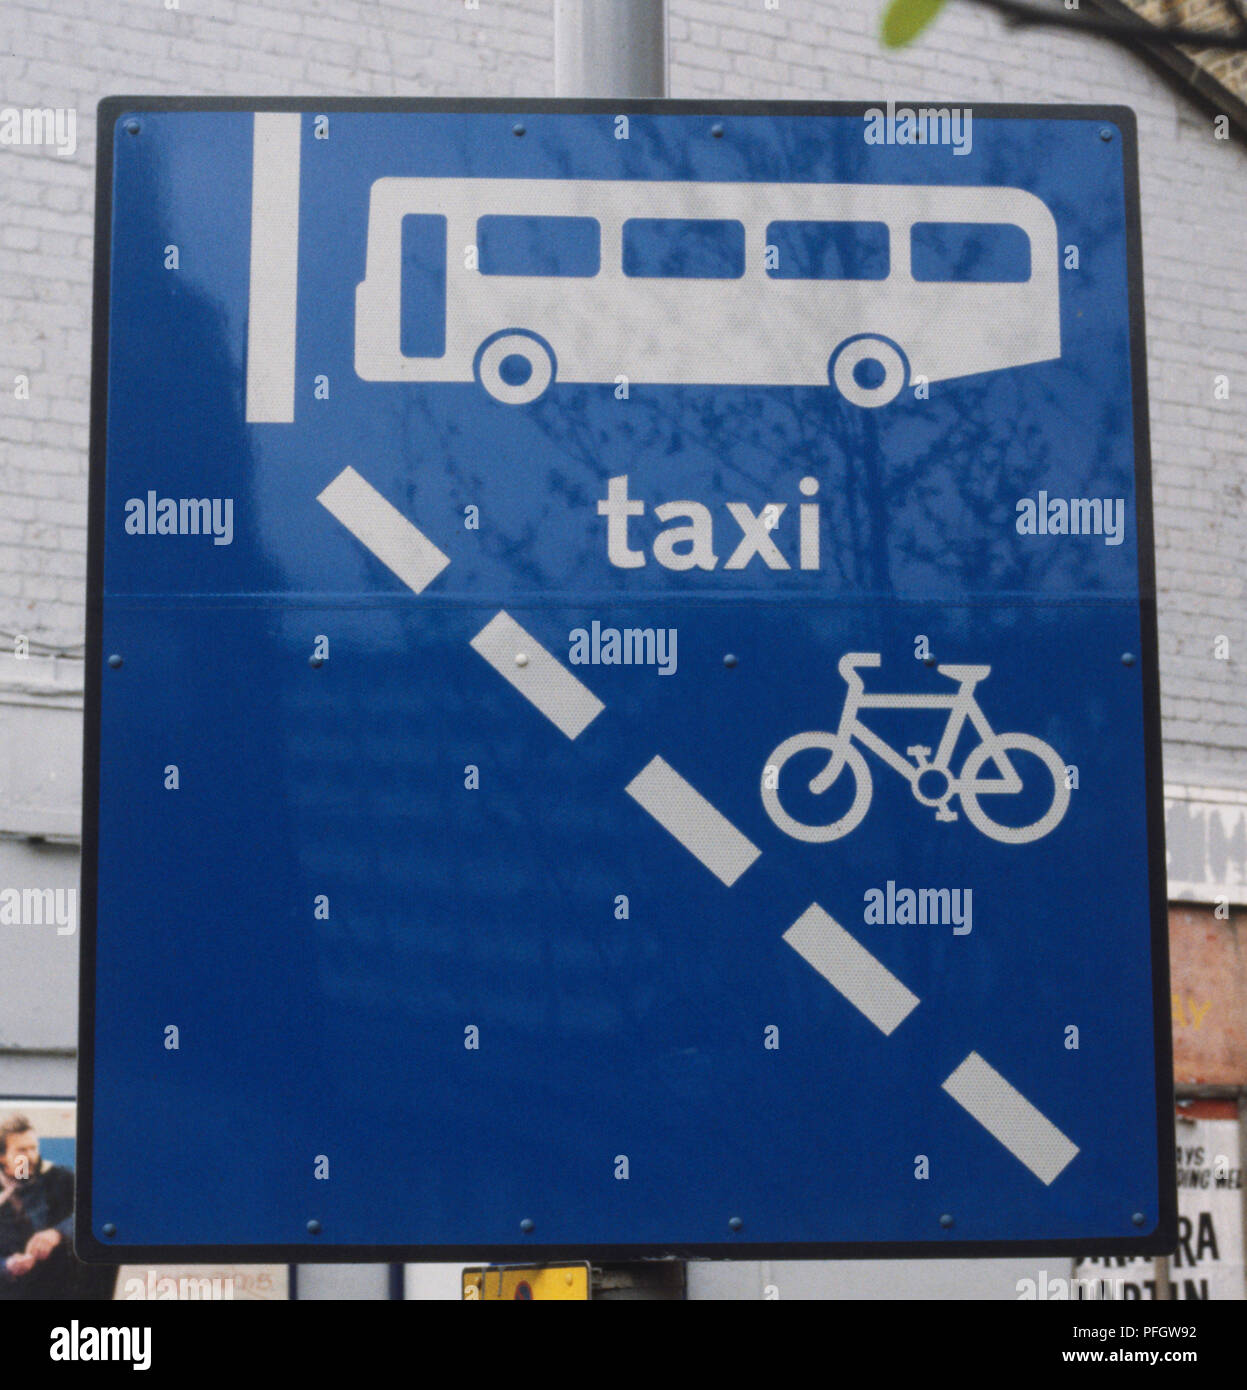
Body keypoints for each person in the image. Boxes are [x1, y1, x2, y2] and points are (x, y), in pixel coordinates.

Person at [0, 1113, 115, 1300]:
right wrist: (7, 1266)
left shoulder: (60, 1179)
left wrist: (58, 1233)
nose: (30, 1157)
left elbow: (99, 1214)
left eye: (33, 1148)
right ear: (3, 1157)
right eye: (22, 1151)